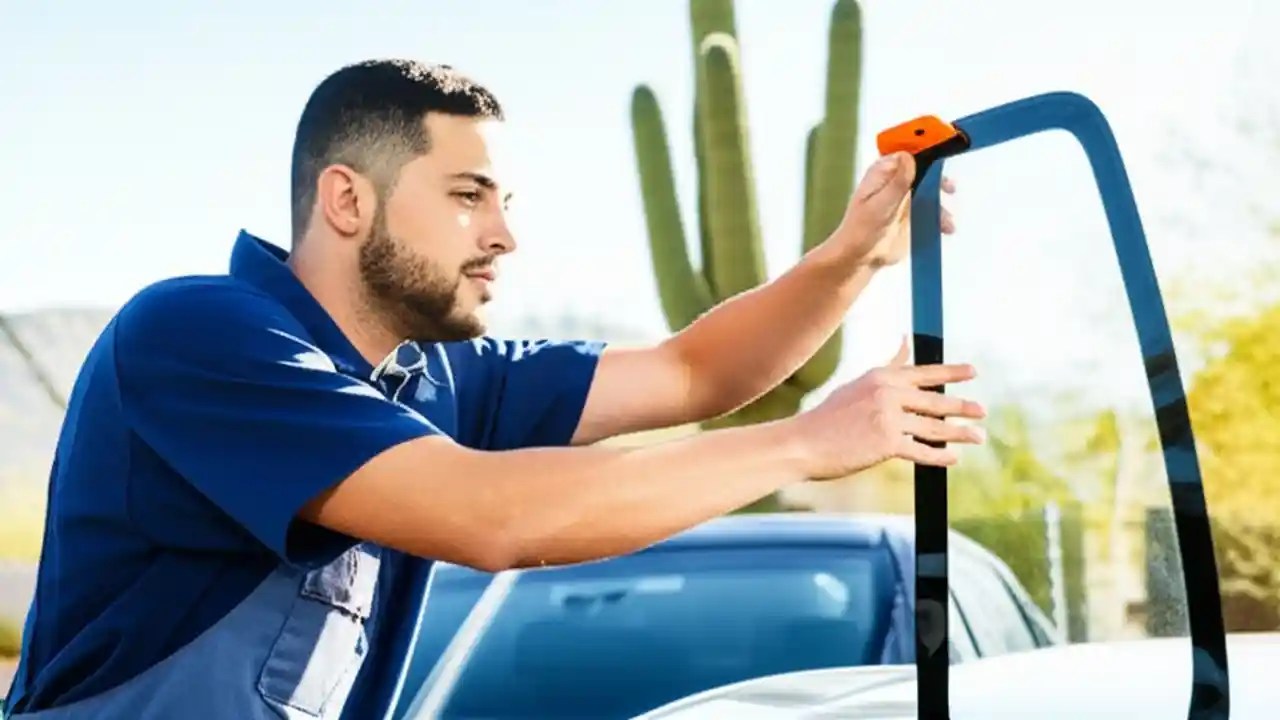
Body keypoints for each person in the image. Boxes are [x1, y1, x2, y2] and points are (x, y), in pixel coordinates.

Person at [2, 58, 983, 719]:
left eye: (503, 202)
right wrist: (805, 443)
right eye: (467, 196)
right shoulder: (197, 338)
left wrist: (851, 257)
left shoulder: (436, 379)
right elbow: (492, 517)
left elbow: (696, 371)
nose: (503, 235)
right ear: (347, 199)